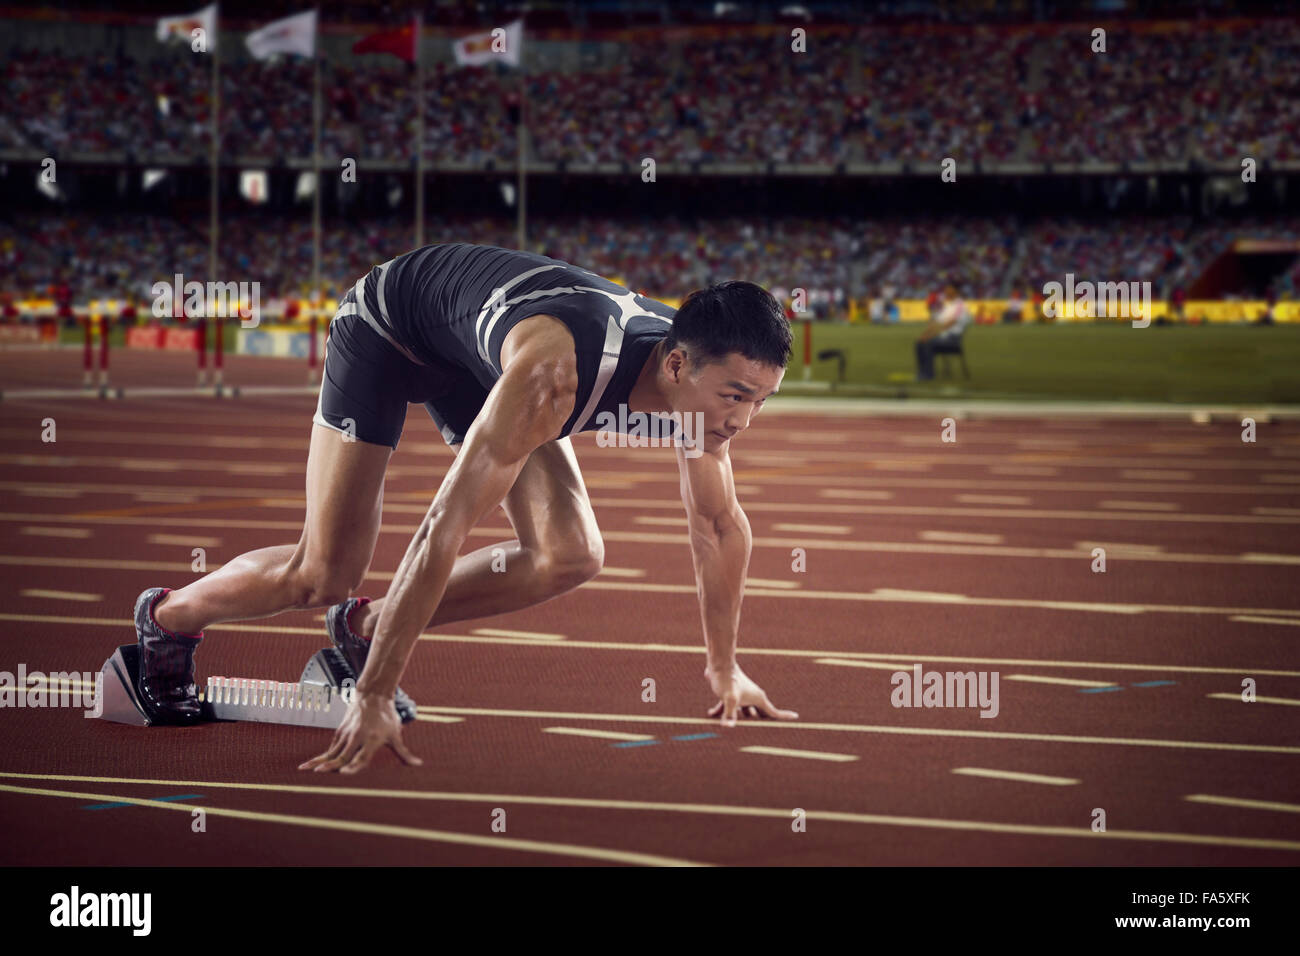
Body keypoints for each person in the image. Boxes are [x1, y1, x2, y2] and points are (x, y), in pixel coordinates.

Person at [131, 243, 799, 774]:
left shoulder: (695, 401)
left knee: (570, 555)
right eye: (735, 397)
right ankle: (169, 621)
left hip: (484, 356)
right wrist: (370, 700)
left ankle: (361, 633)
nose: (745, 420)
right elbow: (441, 529)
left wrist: (724, 668)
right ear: (678, 367)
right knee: (324, 571)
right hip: (390, 332)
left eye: (761, 400)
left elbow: (718, 526)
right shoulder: (558, 376)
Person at [914, 285, 970, 381]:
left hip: (953, 340)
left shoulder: (960, 305)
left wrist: (930, 336)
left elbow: (951, 323)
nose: (946, 292)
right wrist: (924, 335)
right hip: (944, 338)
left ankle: (928, 374)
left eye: (949, 290)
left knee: (928, 343)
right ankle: (922, 372)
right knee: (919, 343)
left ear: (956, 291)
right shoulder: (949, 306)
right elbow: (937, 322)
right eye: (946, 290)